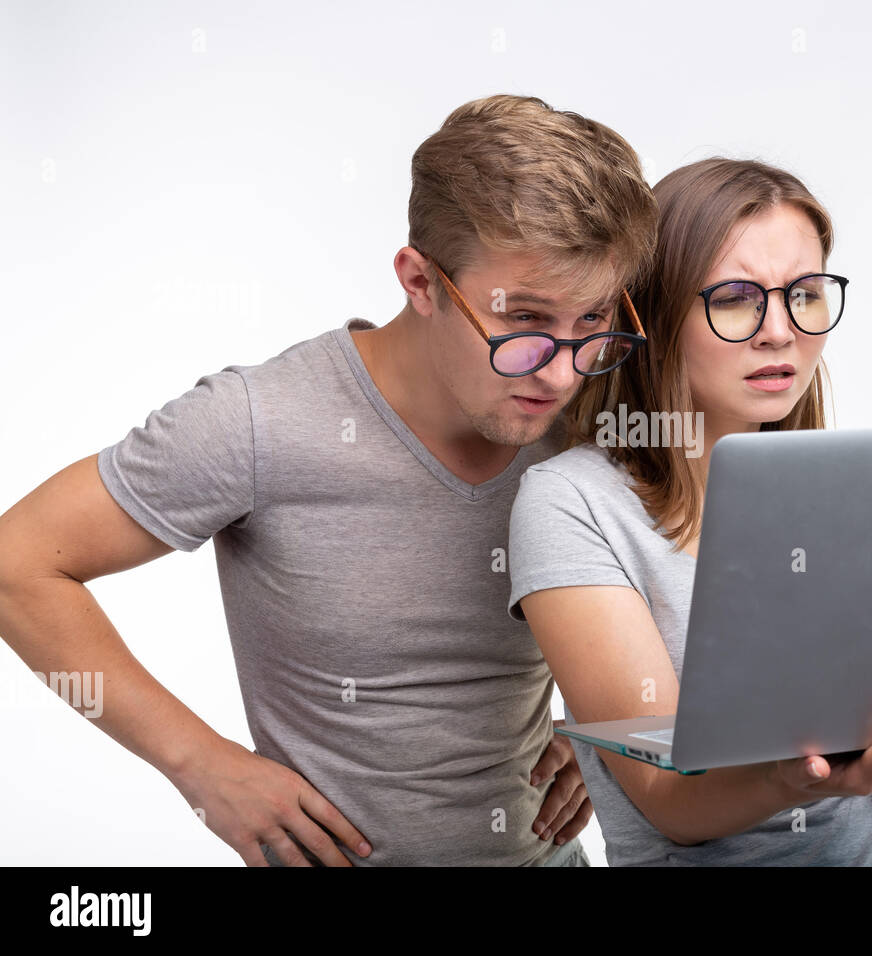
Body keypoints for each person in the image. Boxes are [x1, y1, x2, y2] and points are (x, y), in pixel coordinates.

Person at [0, 94, 658, 866]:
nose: (560, 372)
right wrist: (203, 767)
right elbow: (20, 564)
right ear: (419, 280)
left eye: (591, 322)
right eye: (527, 322)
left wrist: (612, 723)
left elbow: (689, 580)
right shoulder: (261, 419)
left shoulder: (590, 415)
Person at [507, 157, 872, 865]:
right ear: (657, 313)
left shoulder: (838, 494)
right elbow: (671, 802)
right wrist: (786, 779)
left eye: (805, 293)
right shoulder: (572, 503)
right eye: (737, 297)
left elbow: (871, 794)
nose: (780, 331)